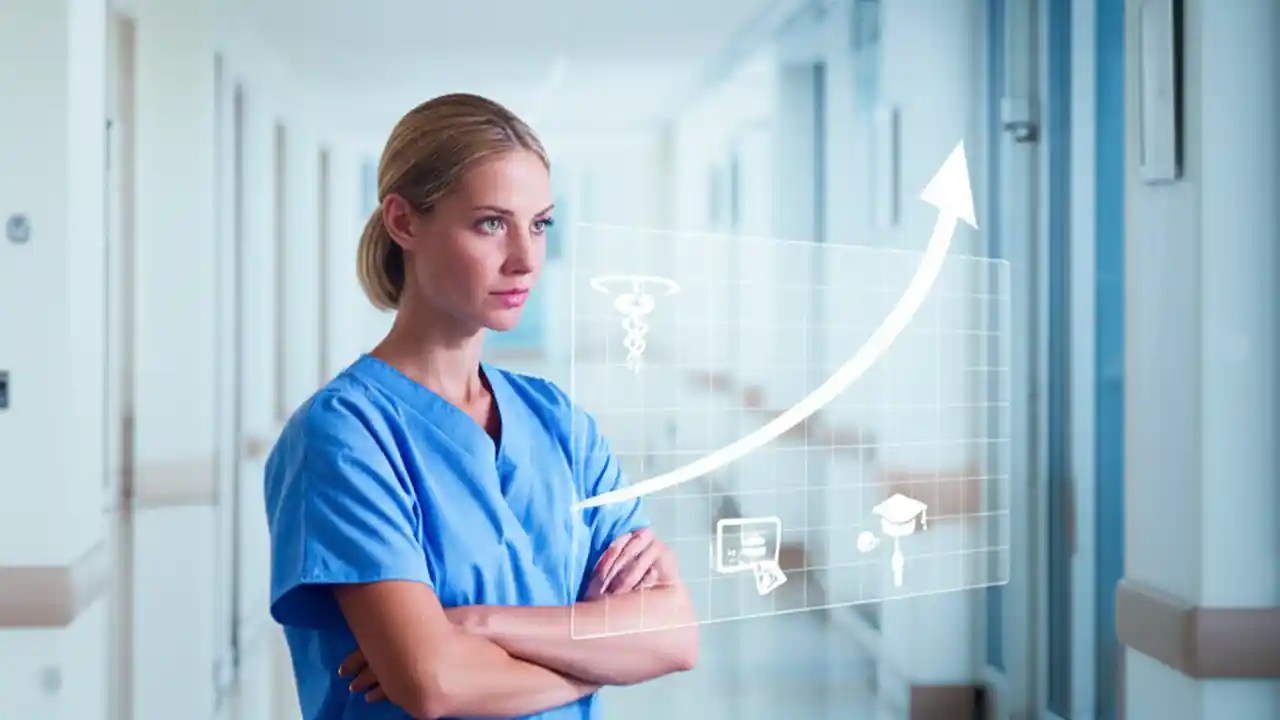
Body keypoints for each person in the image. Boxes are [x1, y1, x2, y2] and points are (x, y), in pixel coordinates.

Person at [263, 93, 699, 719]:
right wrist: (595, 661)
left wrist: (479, 624)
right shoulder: (345, 435)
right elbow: (433, 682)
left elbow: (673, 634)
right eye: (491, 223)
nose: (525, 258)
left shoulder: (558, 422)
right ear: (404, 223)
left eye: (540, 224)